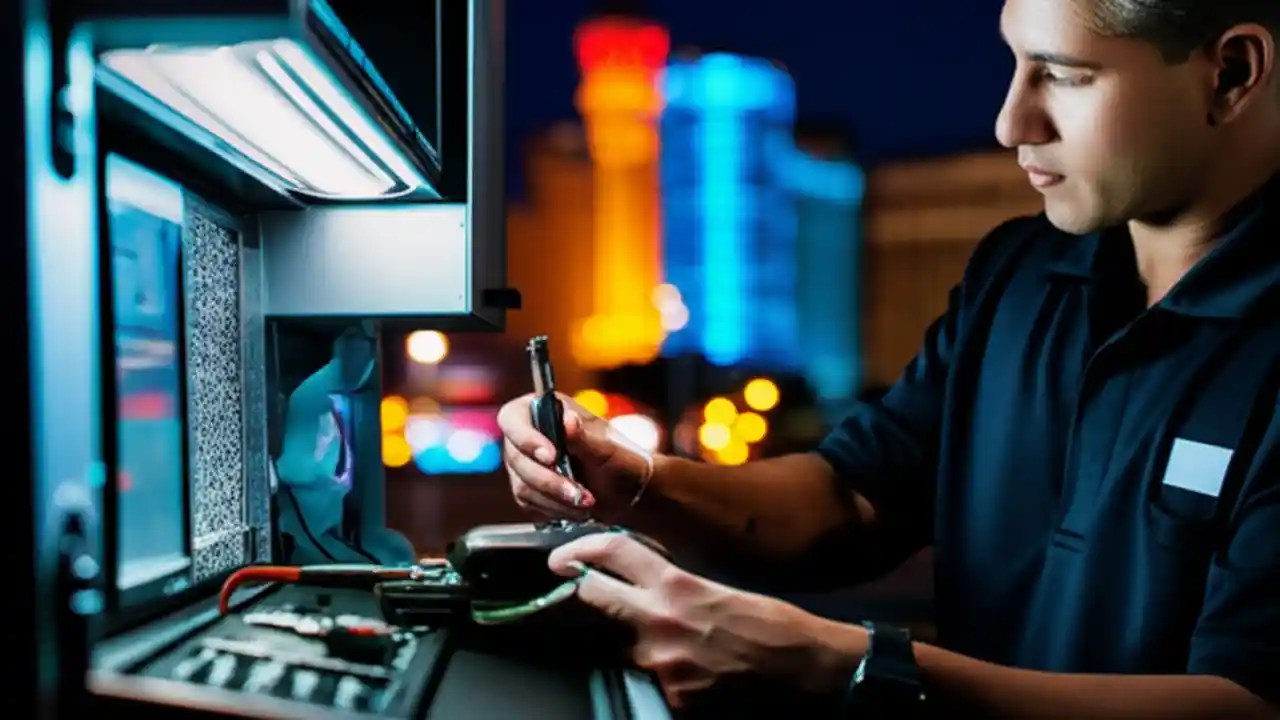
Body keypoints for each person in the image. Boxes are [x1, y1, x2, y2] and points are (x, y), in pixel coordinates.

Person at [498, 0, 1280, 716]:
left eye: (1066, 76)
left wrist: (844, 663)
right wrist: (635, 480)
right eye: (1015, 64)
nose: (1012, 122)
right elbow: (851, 496)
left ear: (1232, 73)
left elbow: (1247, 703)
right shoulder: (1020, 274)